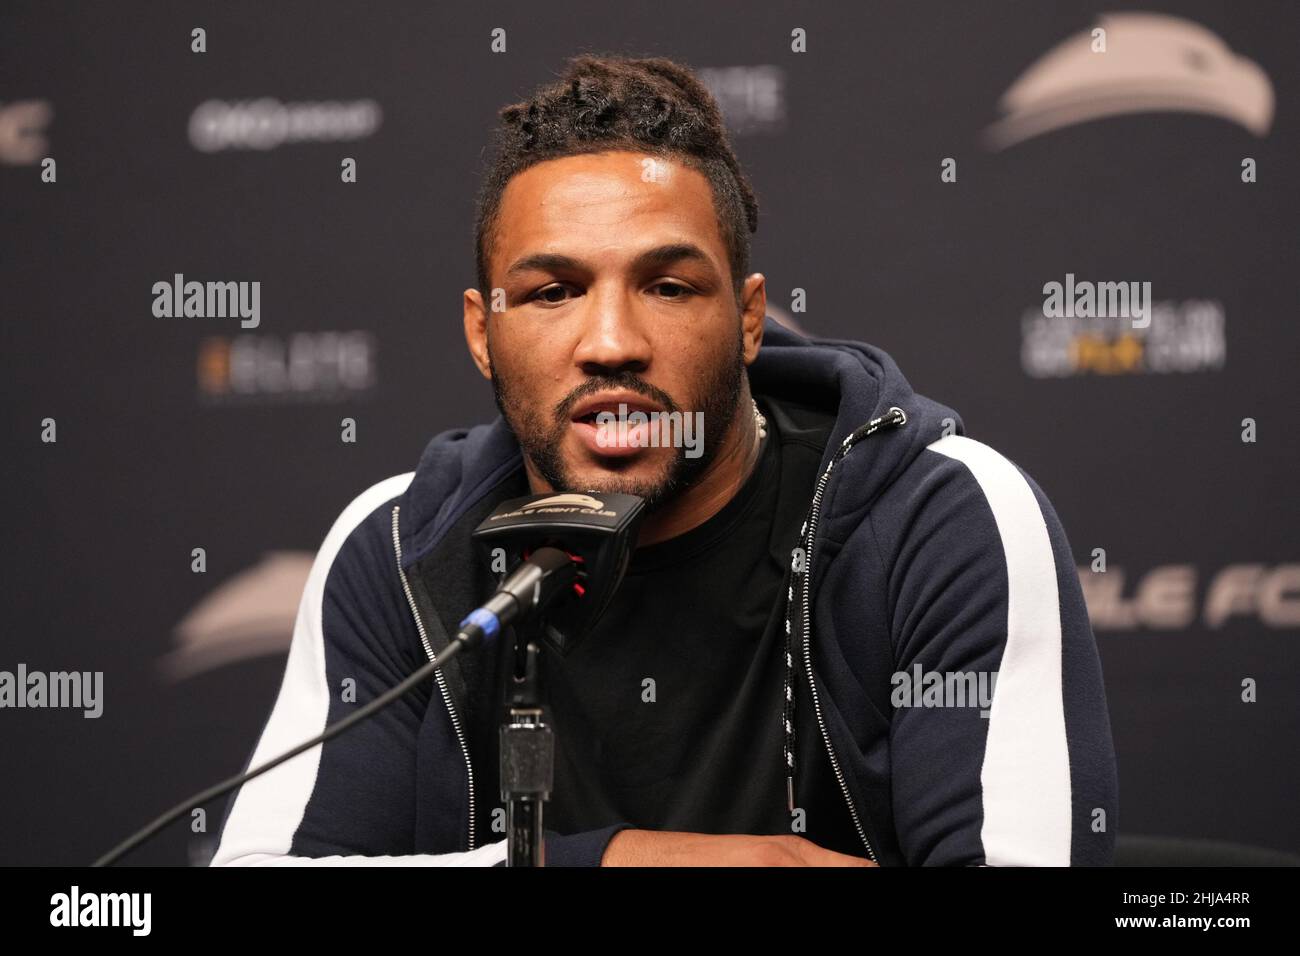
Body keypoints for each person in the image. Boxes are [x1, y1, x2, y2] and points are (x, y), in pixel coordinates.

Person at [211, 53, 1117, 867]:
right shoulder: (409, 548)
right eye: (554, 292)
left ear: (749, 318)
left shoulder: (942, 518)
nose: (611, 342)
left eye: (669, 287)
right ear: (482, 335)